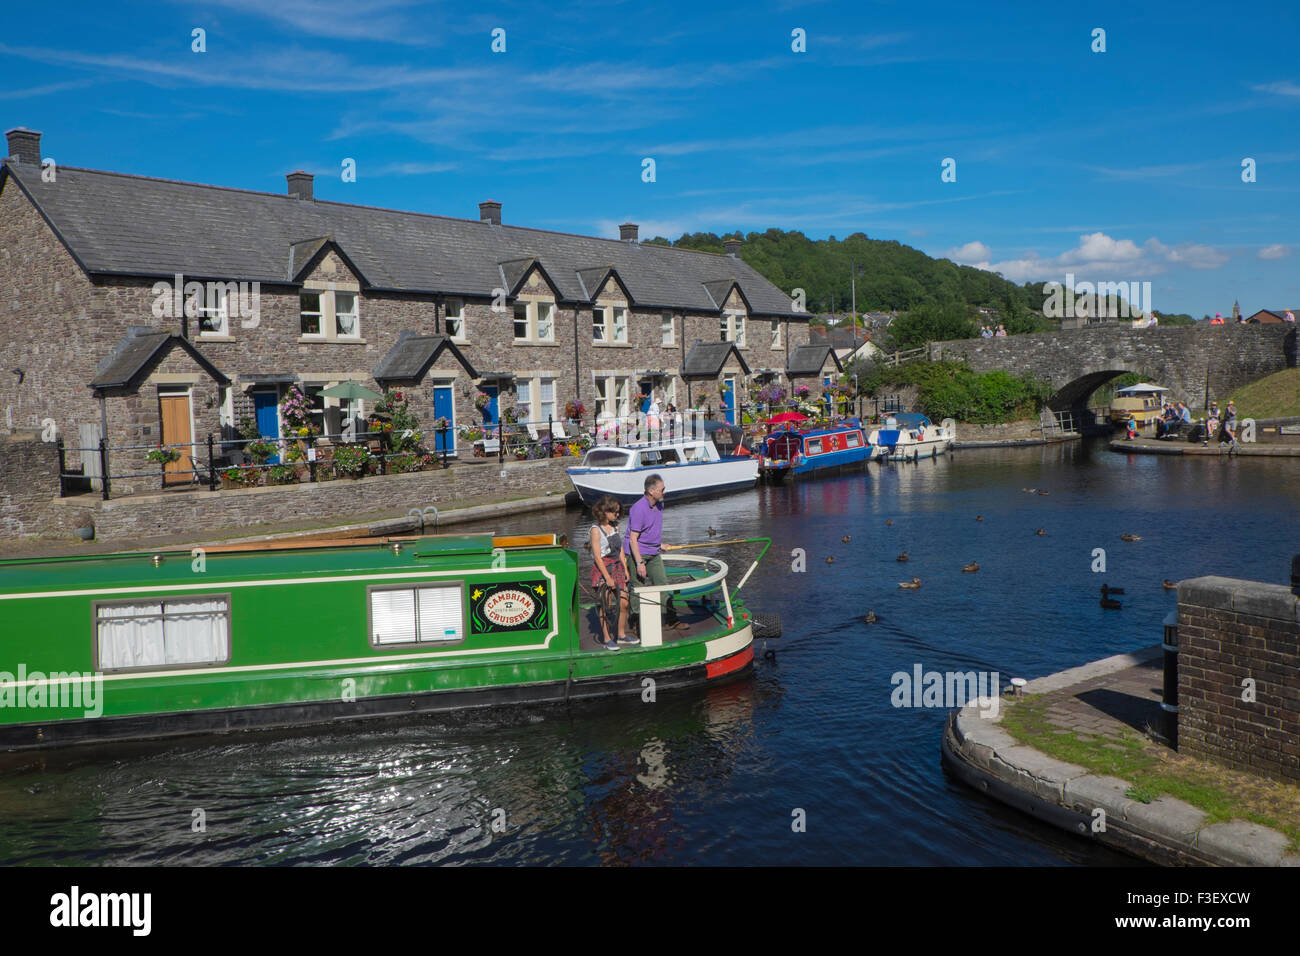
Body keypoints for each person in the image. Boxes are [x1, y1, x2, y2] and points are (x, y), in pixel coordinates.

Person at [624, 474, 685, 632]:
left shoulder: (659, 505)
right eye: (662, 489)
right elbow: (633, 539)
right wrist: (639, 563)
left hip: (653, 552)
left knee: (662, 583)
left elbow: (651, 530)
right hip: (637, 552)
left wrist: (659, 544)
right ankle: (636, 622)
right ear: (651, 491)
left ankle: (670, 620)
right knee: (638, 587)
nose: (664, 492)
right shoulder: (638, 509)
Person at [588, 495, 631, 649]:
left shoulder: (616, 527)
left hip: (617, 566)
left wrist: (625, 568)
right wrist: (607, 578)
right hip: (603, 569)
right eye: (614, 512)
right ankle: (607, 638)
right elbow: (598, 557)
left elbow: (620, 550)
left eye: (618, 512)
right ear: (604, 511)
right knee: (605, 605)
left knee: (624, 602)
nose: (617, 515)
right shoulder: (595, 530)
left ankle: (621, 635)